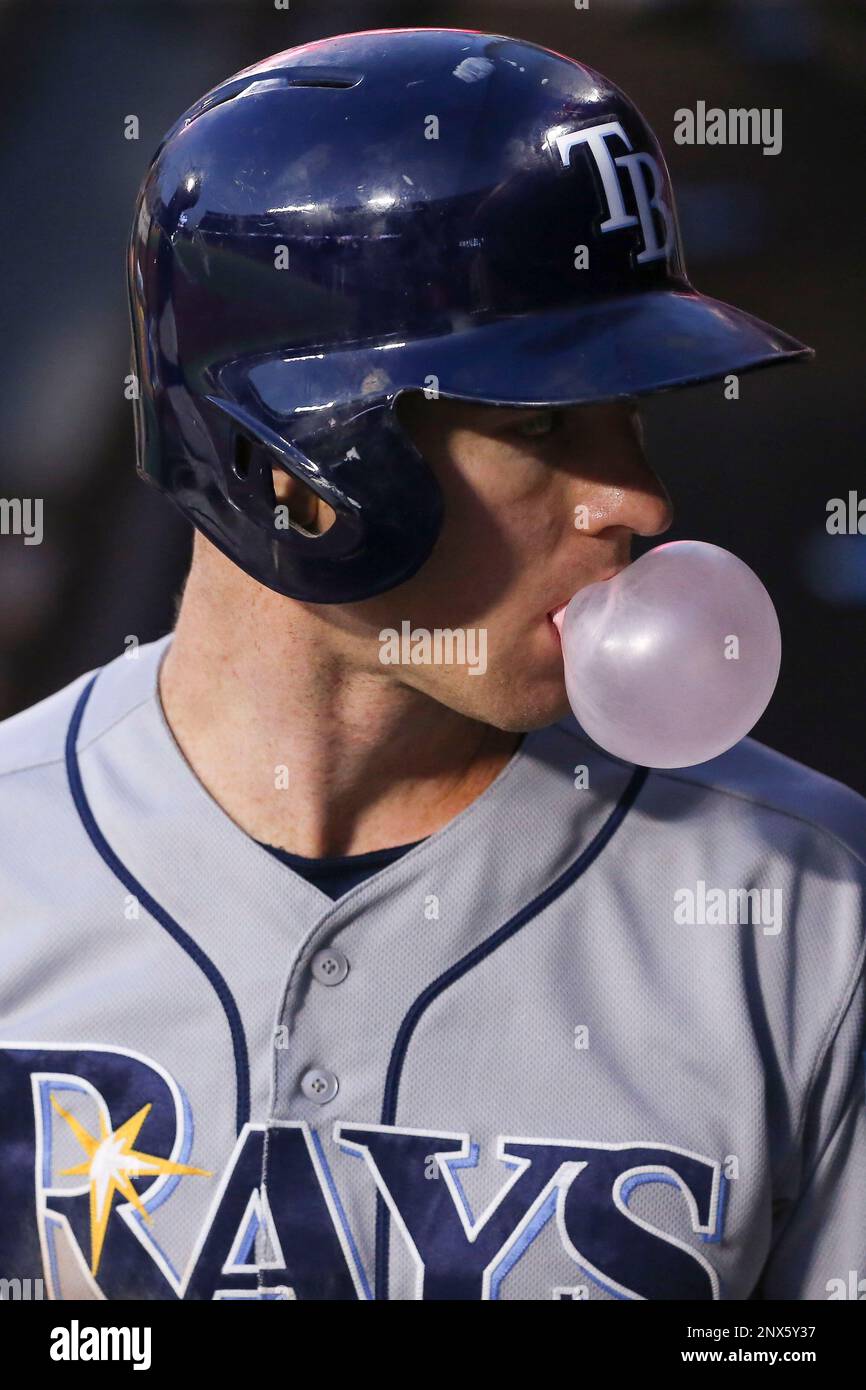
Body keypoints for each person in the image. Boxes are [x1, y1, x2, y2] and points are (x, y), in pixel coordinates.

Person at [1, 27, 863, 1302]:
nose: (635, 501)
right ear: (289, 460)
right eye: (538, 423)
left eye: (633, 421)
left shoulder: (810, 912)